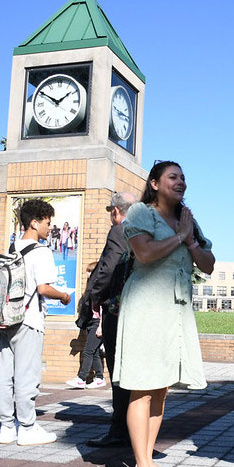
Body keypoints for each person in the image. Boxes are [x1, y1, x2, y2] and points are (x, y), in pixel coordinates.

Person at [114, 161, 215, 467]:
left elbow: (208, 265)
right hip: (146, 306)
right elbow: (143, 253)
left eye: (184, 177)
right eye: (173, 177)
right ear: (155, 183)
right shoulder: (141, 213)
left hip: (176, 309)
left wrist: (190, 240)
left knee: (160, 388)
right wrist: (180, 237)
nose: (181, 181)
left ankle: (148, 459)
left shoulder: (188, 219)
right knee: (142, 387)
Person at [0, 199, 72, 446]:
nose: (50, 228)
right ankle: (27, 427)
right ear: (34, 223)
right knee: (27, 374)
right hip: (29, 320)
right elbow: (43, 288)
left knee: (5, 374)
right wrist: (63, 296)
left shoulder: (11, 249)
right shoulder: (41, 251)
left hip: (6, 319)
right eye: (47, 223)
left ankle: (7, 426)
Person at [85, 191, 137, 448]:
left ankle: (119, 431)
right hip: (137, 309)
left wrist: (95, 296)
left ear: (116, 211)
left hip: (117, 309)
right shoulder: (142, 231)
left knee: (118, 370)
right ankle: (134, 430)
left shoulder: (119, 231)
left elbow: (107, 268)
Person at [67, 261, 107, 390]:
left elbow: (102, 308)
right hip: (90, 322)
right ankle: (100, 378)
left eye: (90, 271)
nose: (87, 274)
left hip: (97, 322)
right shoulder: (90, 287)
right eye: (87, 271)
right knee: (94, 352)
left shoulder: (99, 287)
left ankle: (81, 378)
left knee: (88, 351)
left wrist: (101, 326)